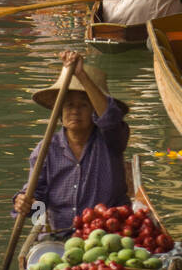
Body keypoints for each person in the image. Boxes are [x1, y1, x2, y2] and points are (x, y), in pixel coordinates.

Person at [11, 51, 131, 231]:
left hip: (109, 232)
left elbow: (111, 119)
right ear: (59, 111)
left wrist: (81, 76)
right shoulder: (46, 149)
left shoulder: (111, 140)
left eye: (83, 105)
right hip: (61, 234)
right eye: (69, 105)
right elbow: (39, 206)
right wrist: (25, 204)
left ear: (93, 111)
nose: (75, 111)